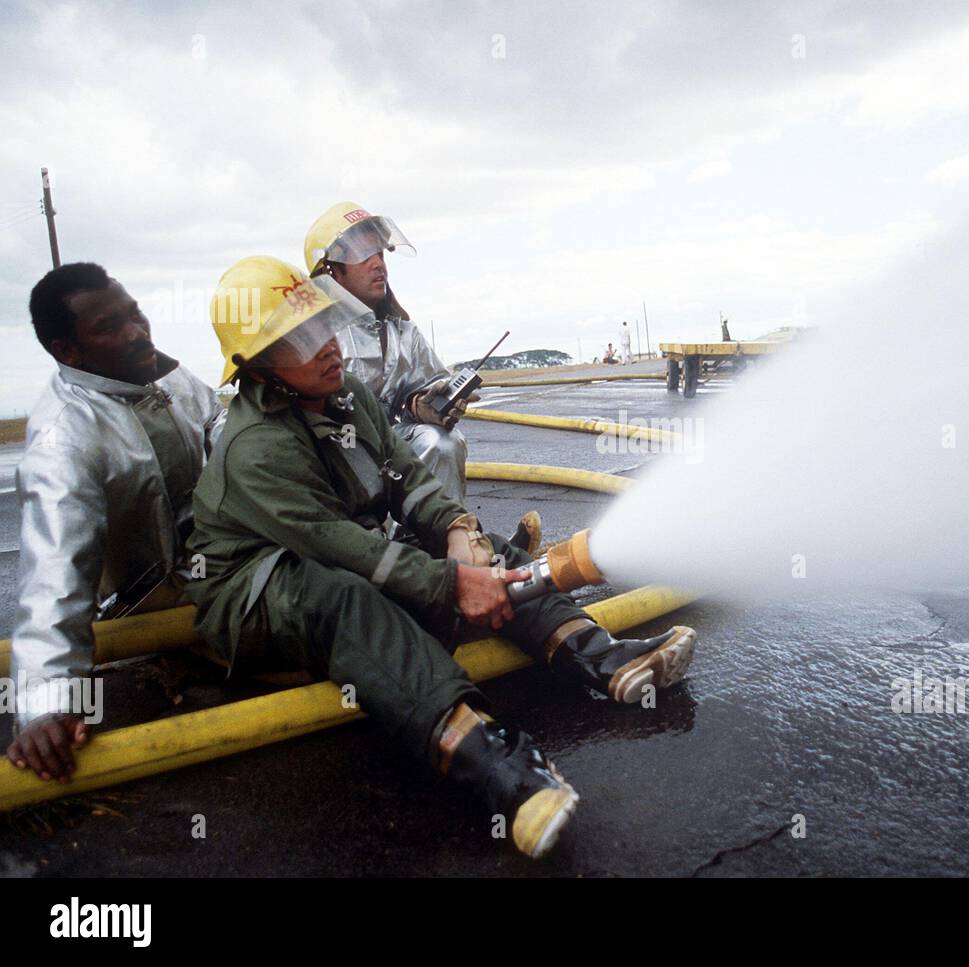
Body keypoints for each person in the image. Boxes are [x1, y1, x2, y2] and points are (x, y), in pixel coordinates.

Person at [185, 256, 697, 858]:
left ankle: (601, 659)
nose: (326, 346)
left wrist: (458, 531)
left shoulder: (345, 394)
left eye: (322, 325)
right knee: (347, 598)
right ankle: (498, 768)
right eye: (298, 339)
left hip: (339, 557)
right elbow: (342, 549)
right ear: (258, 368)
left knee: (483, 550)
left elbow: (406, 475)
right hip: (257, 593)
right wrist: (452, 586)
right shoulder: (255, 448)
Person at [5, 263, 226, 782]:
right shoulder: (64, 442)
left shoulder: (165, 373)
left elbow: (220, 422)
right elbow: (53, 580)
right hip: (152, 604)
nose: (136, 331)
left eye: (136, 314)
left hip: (224, 563)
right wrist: (47, 704)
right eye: (109, 327)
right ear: (68, 352)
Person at [303, 202, 538, 553]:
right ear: (331, 272)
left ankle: (440, 543)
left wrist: (423, 404)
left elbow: (423, 387)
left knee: (442, 441)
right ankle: (473, 554)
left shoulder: (401, 331)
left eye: (380, 251)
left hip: (384, 451)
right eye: (362, 253)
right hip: (333, 460)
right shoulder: (310, 335)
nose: (378, 262)